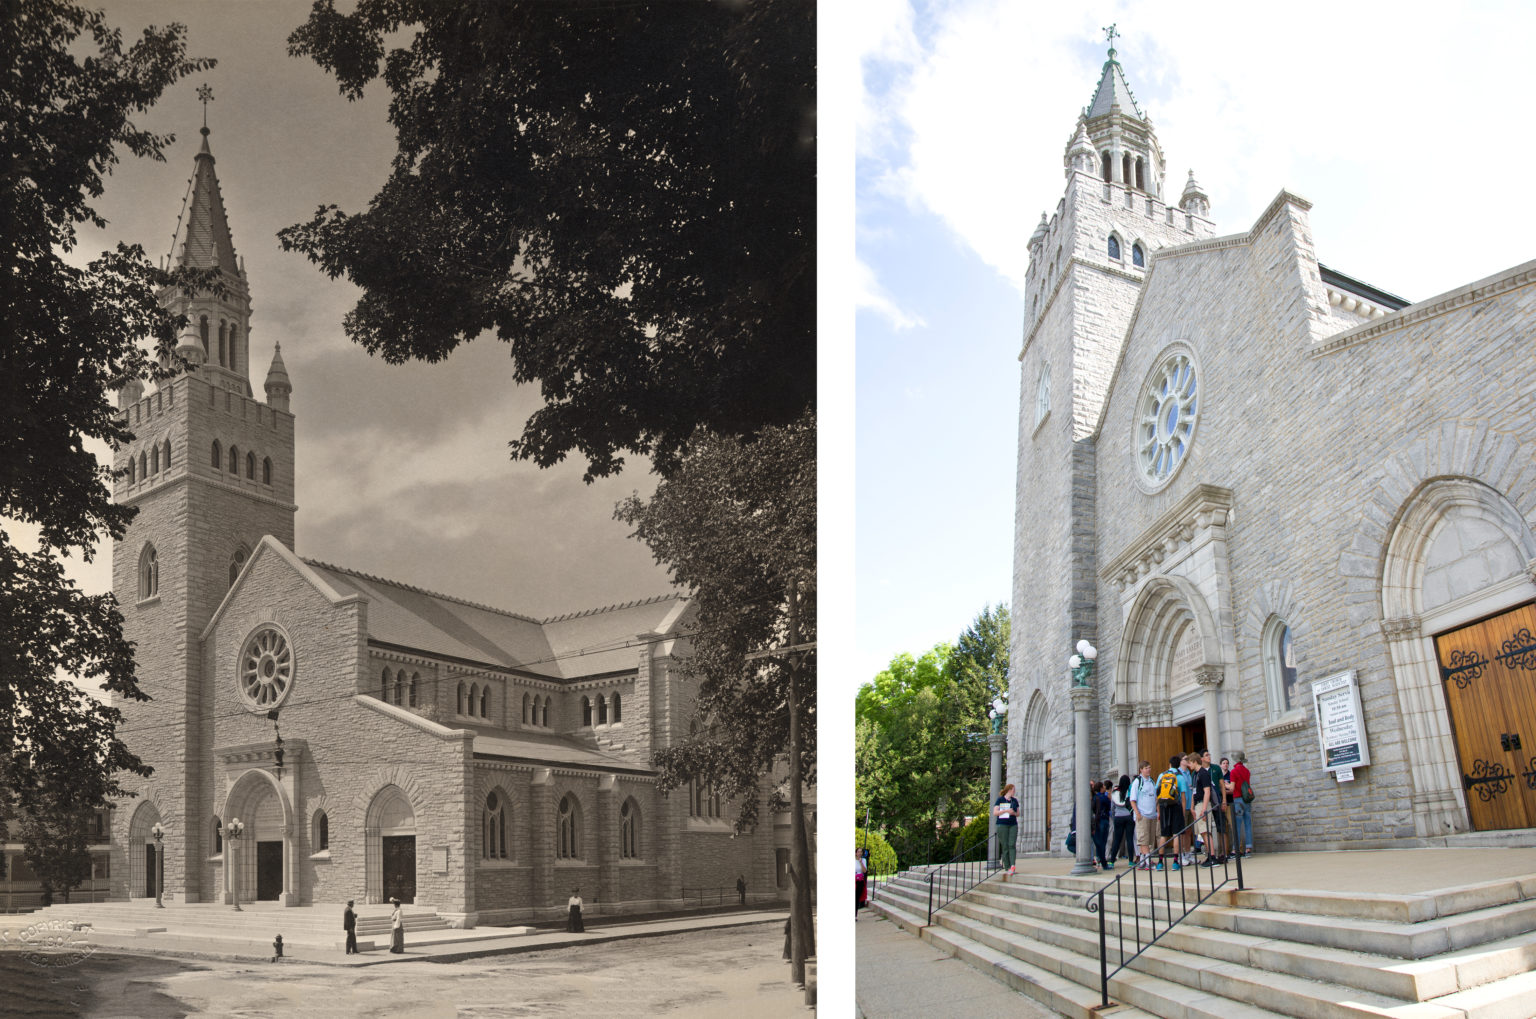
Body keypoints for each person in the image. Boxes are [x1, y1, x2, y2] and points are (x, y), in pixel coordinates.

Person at [1155, 754, 1184, 871]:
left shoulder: (1161, 775)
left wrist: (1158, 811)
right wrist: (1183, 812)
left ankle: (1160, 862)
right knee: (1176, 834)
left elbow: (1157, 795)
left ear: (1170, 764)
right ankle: (1175, 862)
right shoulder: (1180, 777)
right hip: (1176, 806)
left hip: (1164, 807)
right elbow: (1183, 796)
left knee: (1164, 834)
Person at [1130, 761, 1158, 869]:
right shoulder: (1138, 782)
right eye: (1146, 768)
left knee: (1149, 839)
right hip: (1142, 814)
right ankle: (1148, 860)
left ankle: (1142, 860)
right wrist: (1137, 813)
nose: (1148, 770)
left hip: (1152, 814)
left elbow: (1155, 798)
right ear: (1141, 770)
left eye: (1149, 767)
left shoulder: (1151, 781)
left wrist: (1157, 811)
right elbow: (1132, 799)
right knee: (1143, 838)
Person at [1230, 750, 1254, 856]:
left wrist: (1224, 785)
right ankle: (1248, 848)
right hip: (1247, 799)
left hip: (1238, 800)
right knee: (1248, 823)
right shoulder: (1247, 771)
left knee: (1237, 825)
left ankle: (1236, 849)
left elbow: (1232, 787)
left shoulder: (1233, 772)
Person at [1108, 774, 1135, 867]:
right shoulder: (1130, 792)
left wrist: (1114, 816)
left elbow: (1112, 807)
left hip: (1118, 817)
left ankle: (1112, 861)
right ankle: (1130, 861)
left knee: (1117, 840)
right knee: (1129, 839)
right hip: (1129, 817)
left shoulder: (1115, 792)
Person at [993, 782, 1020, 874]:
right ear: (1009, 790)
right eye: (1013, 790)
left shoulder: (1014, 801)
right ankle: (1007, 866)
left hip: (1013, 824)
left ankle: (1012, 865)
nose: (1014, 791)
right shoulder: (1000, 800)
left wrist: (1013, 813)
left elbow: (1018, 813)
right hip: (1002, 824)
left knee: (1012, 844)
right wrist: (1006, 811)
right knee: (1005, 846)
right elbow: (995, 812)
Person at [1091, 780, 1111, 869]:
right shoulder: (1103, 797)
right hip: (1103, 820)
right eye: (1103, 787)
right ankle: (1104, 863)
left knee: (1099, 842)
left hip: (1097, 821)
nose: (1104, 788)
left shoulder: (1094, 798)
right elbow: (1109, 806)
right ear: (1100, 788)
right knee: (1103, 842)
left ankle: (1100, 859)